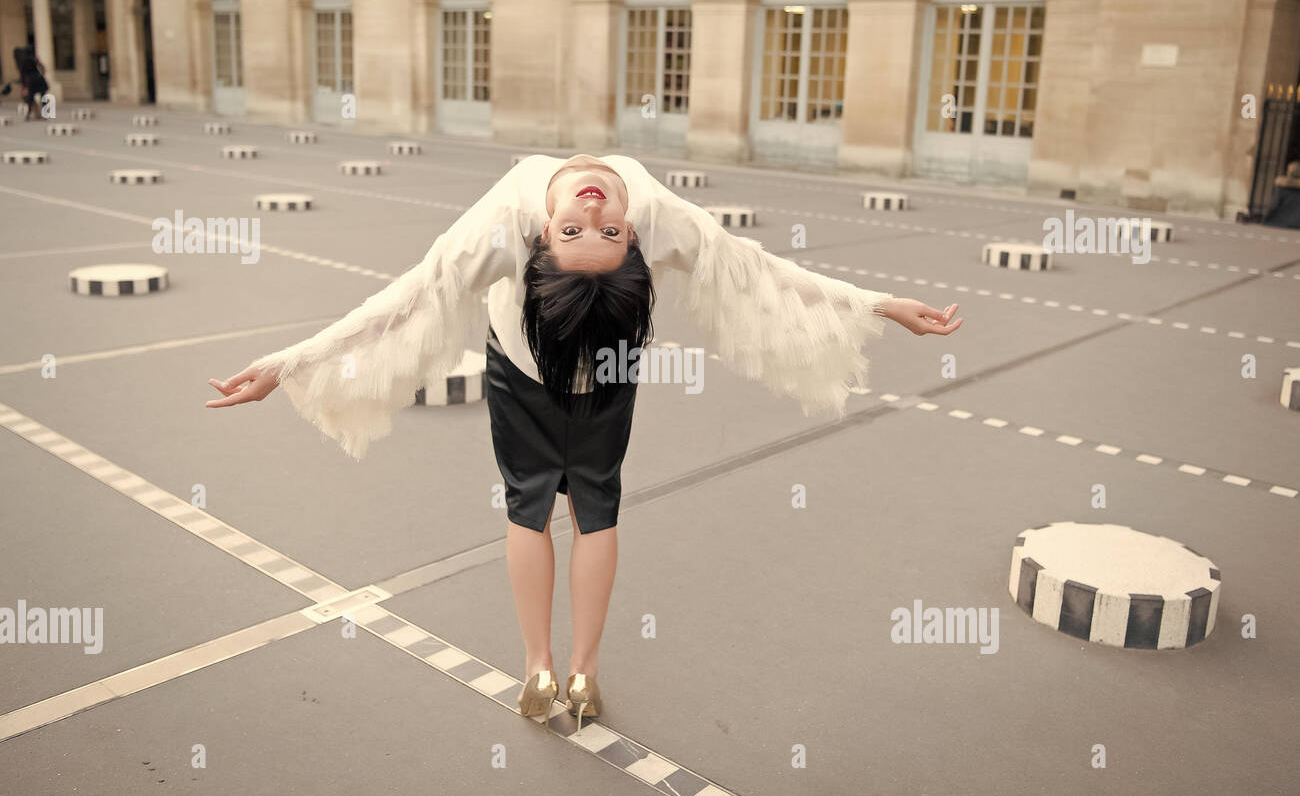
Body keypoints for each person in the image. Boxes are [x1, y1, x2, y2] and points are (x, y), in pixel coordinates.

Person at [207, 153, 963, 730]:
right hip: (529, 371)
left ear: (634, 243)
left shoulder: (580, 213)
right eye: (583, 230)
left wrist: (877, 305)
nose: (595, 210)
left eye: (593, 231)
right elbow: (402, 303)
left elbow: (759, 276)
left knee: (586, 507)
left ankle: (578, 670)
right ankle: (546, 669)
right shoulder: (547, 218)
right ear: (540, 241)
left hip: (608, 366)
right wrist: (292, 364)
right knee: (540, 507)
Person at [13, 46, 49, 120]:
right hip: (39, 79)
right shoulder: (34, 59)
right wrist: (41, 74)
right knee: (43, 97)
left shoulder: (24, 61)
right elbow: (42, 67)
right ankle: (44, 114)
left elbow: (23, 74)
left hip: (32, 81)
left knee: (30, 98)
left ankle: (28, 115)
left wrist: (24, 86)